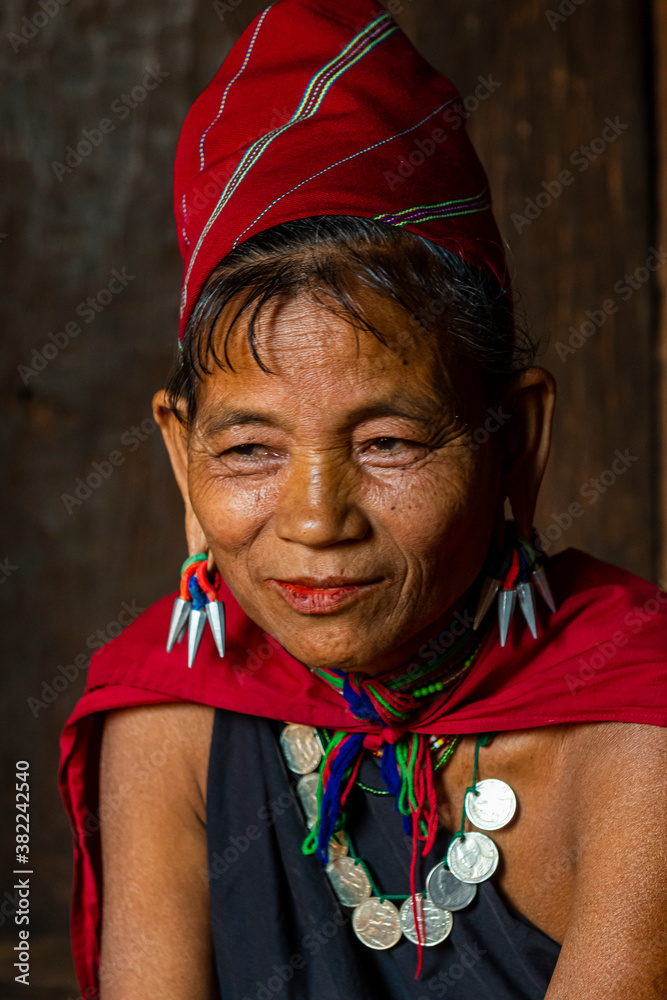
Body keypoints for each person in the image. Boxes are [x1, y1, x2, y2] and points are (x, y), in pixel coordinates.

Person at [59, 1, 667, 998]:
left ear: (514, 441)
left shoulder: (631, 731)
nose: (313, 519)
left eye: (387, 442)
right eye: (249, 447)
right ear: (179, 455)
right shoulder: (167, 720)